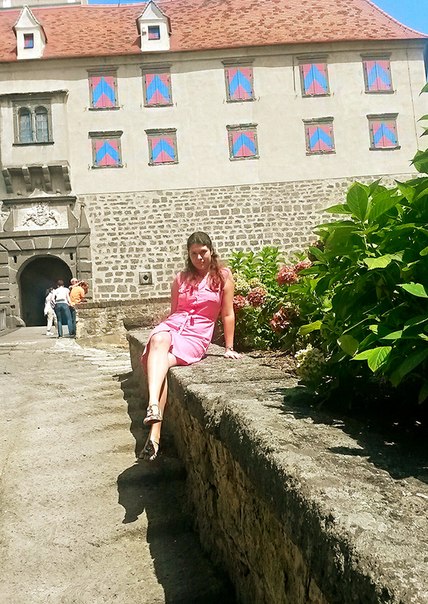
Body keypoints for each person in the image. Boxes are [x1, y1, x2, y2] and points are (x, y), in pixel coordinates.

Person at [140, 231, 241, 461]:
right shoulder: (180, 279)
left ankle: (155, 432)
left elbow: (227, 313)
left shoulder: (223, 277)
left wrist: (229, 347)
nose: (199, 258)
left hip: (196, 336)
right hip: (174, 326)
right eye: (194, 254)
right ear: (188, 255)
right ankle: (153, 412)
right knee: (158, 342)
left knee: (159, 361)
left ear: (211, 250)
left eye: (203, 252)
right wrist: (167, 330)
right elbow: (174, 311)